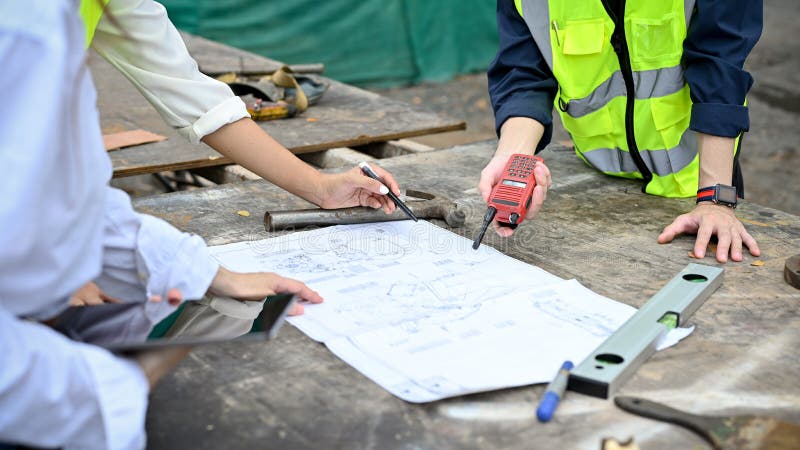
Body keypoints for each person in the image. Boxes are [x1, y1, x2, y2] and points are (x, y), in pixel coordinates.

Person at [0, 1, 322, 447]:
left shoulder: (42, 22)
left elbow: (65, 190)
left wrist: (205, 273)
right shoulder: (20, 31)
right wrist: (126, 383)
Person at [480, 0, 763, 263]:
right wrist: (512, 155)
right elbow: (524, 71)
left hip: (698, 181)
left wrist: (715, 200)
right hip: (599, 183)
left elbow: (721, 61)